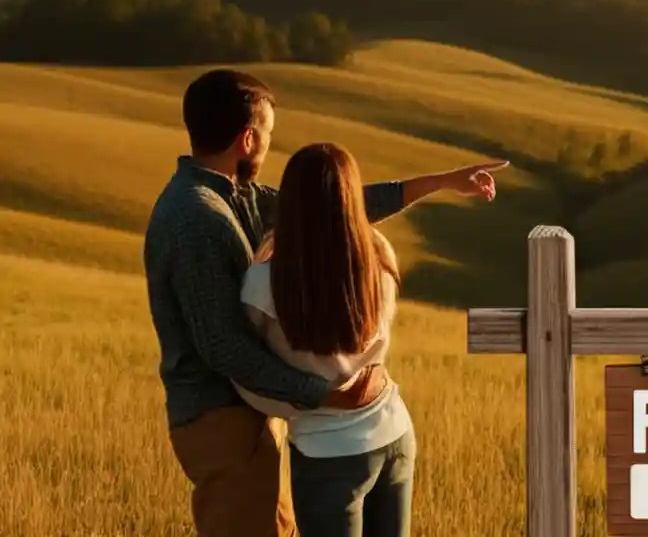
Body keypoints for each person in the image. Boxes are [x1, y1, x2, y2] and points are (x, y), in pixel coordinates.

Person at [143, 69, 506, 536]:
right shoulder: (197, 217)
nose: (270, 146)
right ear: (248, 138)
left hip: (258, 413)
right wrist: (325, 393)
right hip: (221, 421)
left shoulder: (233, 196)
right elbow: (222, 347)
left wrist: (436, 183)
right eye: (269, 135)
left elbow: (334, 210)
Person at [234, 143, 414, 537]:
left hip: (326, 449)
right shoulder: (379, 259)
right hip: (394, 430)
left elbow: (245, 364)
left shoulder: (265, 282)